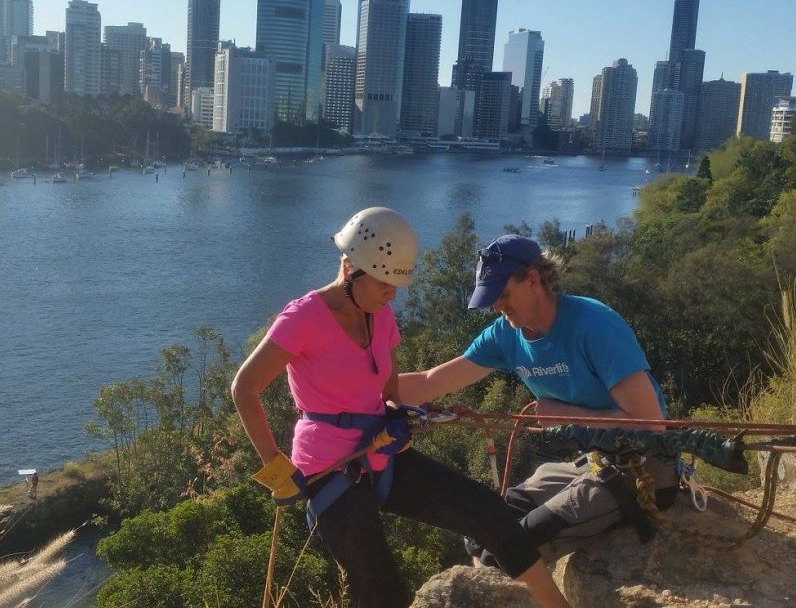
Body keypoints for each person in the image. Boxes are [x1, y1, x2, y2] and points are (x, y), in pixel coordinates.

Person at [232, 209, 569, 608]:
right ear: (349, 268)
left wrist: (395, 413)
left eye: (396, 285)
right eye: (384, 284)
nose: (392, 294)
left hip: (382, 452)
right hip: (328, 468)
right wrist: (276, 469)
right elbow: (244, 389)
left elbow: (389, 387)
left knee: (486, 510)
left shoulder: (381, 314)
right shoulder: (302, 318)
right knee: (382, 591)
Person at [399, 234, 679, 562]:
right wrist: (355, 394)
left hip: (645, 470)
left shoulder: (594, 325)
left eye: (503, 294)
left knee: (503, 553)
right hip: (596, 461)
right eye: (491, 299)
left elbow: (651, 426)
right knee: (479, 530)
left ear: (533, 280)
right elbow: (430, 382)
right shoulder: (506, 335)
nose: (497, 306)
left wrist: (565, 414)